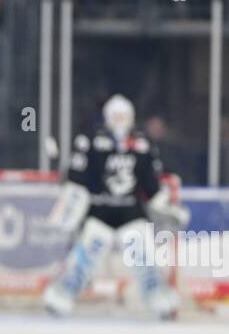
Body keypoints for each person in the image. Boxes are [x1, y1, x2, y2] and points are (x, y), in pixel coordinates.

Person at [42, 94, 190, 319]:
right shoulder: (91, 140)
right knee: (83, 261)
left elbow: (151, 186)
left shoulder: (142, 145)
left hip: (131, 214)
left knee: (144, 262)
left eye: (124, 116)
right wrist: (69, 206)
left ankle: (160, 301)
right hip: (99, 213)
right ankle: (60, 297)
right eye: (116, 116)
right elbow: (77, 179)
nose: (120, 121)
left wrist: (168, 208)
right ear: (107, 118)